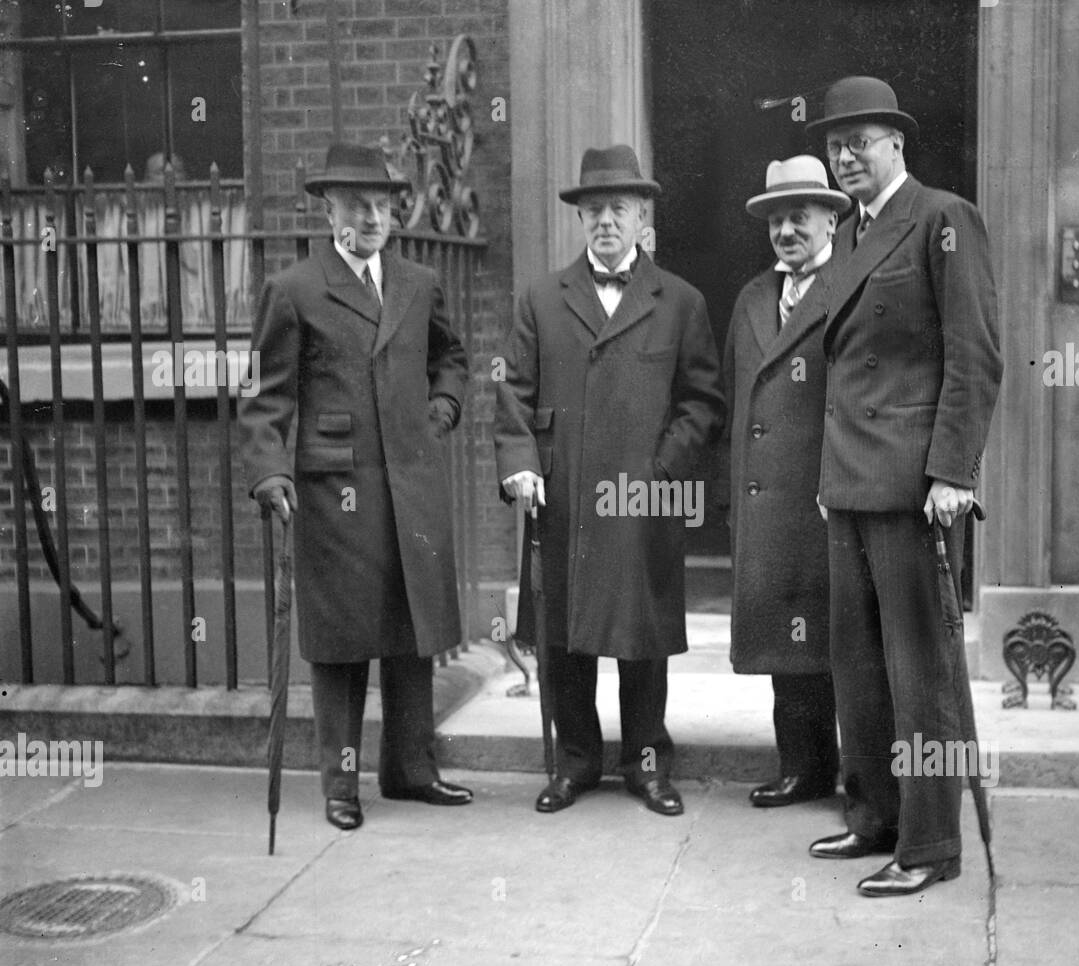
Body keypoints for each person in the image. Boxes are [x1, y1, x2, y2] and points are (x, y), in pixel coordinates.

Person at [239, 142, 473, 831]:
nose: (371, 218)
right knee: (342, 644)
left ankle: (410, 770)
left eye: (381, 206)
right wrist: (270, 470)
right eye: (357, 206)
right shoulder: (295, 290)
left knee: (412, 629)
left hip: (412, 484)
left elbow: (451, 356)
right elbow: (265, 397)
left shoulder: (418, 282)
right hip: (335, 491)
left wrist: (442, 408)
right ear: (329, 212)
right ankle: (340, 785)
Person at [806, 78, 1002, 895]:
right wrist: (828, 476)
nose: (846, 156)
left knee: (922, 674)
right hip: (851, 480)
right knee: (859, 666)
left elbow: (974, 353)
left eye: (860, 141)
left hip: (914, 484)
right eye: (835, 145)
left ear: (897, 143)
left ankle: (929, 846)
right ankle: (875, 817)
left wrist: (953, 471)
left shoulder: (941, 217)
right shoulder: (852, 232)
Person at [495, 145, 725, 817]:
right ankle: (575, 764)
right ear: (580, 218)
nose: (605, 221)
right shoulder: (542, 298)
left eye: (618, 208)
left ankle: (647, 766)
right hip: (564, 495)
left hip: (641, 498)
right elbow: (512, 393)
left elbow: (703, 402)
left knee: (642, 639)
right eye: (593, 209)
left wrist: (663, 470)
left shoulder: (680, 301)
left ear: (642, 216)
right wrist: (520, 463)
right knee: (563, 639)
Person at [722, 156, 846, 808]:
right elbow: (733, 399)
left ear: (831, 220)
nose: (787, 230)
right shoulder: (752, 297)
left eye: (800, 216)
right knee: (784, 644)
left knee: (837, 644)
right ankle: (800, 767)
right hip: (766, 501)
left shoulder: (851, 285)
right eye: (776, 219)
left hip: (825, 499)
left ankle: (857, 776)